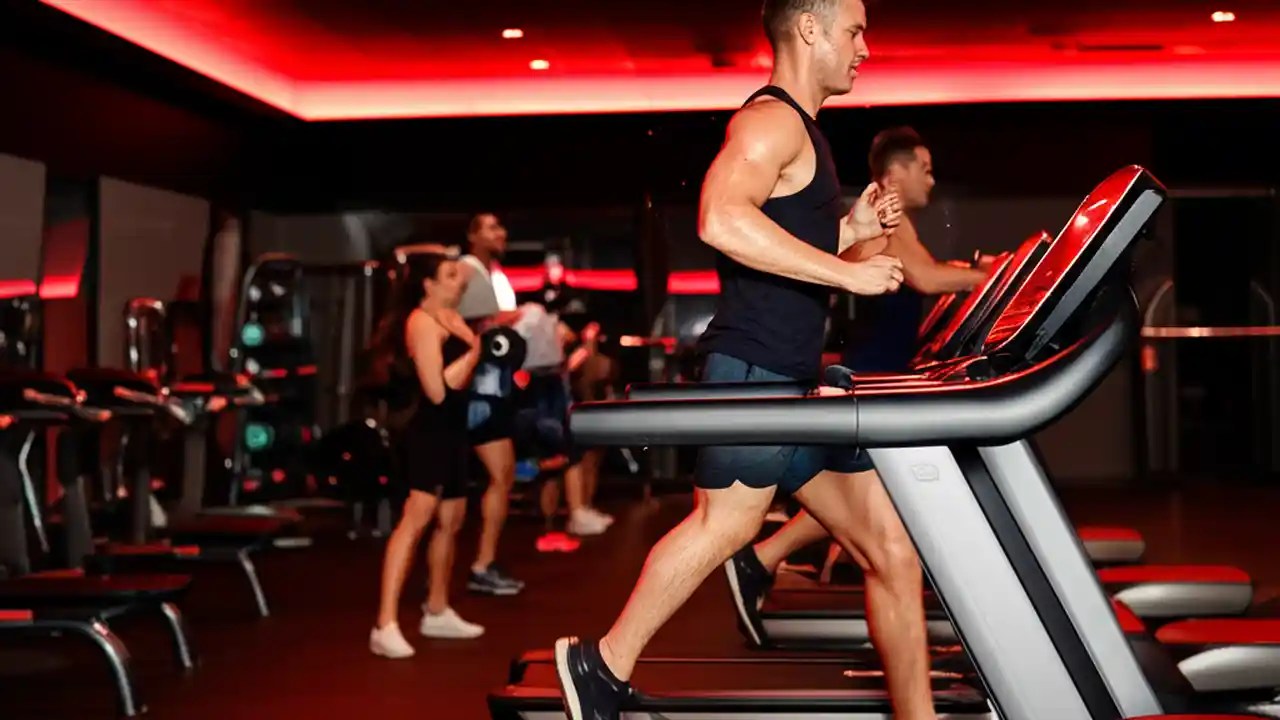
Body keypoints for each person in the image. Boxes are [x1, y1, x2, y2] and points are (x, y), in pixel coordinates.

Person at [551, 1, 932, 718]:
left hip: (793, 378)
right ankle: (598, 662)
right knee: (723, 525)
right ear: (811, 29)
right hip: (757, 371)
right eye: (856, 31)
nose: (866, 48)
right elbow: (720, 219)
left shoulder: (807, 133)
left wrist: (852, 233)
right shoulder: (773, 120)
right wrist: (849, 273)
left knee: (890, 550)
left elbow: (797, 259)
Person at [728, 126, 996, 586]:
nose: (931, 181)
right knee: (877, 488)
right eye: (925, 171)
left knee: (872, 490)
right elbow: (927, 279)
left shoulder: (897, 225)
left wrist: (974, 271)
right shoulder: (889, 222)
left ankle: (777, 560)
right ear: (896, 173)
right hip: (869, 374)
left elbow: (927, 270)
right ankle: (770, 558)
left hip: (879, 372)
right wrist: (995, 275)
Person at [370, 248, 485, 658]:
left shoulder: (455, 320)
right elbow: (437, 389)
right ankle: (384, 625)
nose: (463, 280)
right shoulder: (421, 323)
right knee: (415, 518)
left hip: (453, 430)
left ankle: (436, 609)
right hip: (426, 431)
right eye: (452, 275)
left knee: (452, 519)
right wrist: (473, 353)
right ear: (428, 284)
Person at [455, 213, 526, 595]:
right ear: (472, 235)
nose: (501, 233)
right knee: (500, 476)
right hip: (477, 391)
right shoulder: (466, 271)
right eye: (491, 227)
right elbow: (465, 325)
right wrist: (508, 319)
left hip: (488, 388)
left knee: (499, 477)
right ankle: (481, 566)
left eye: (502, 226)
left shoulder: (488, 274)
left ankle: (482, 564)